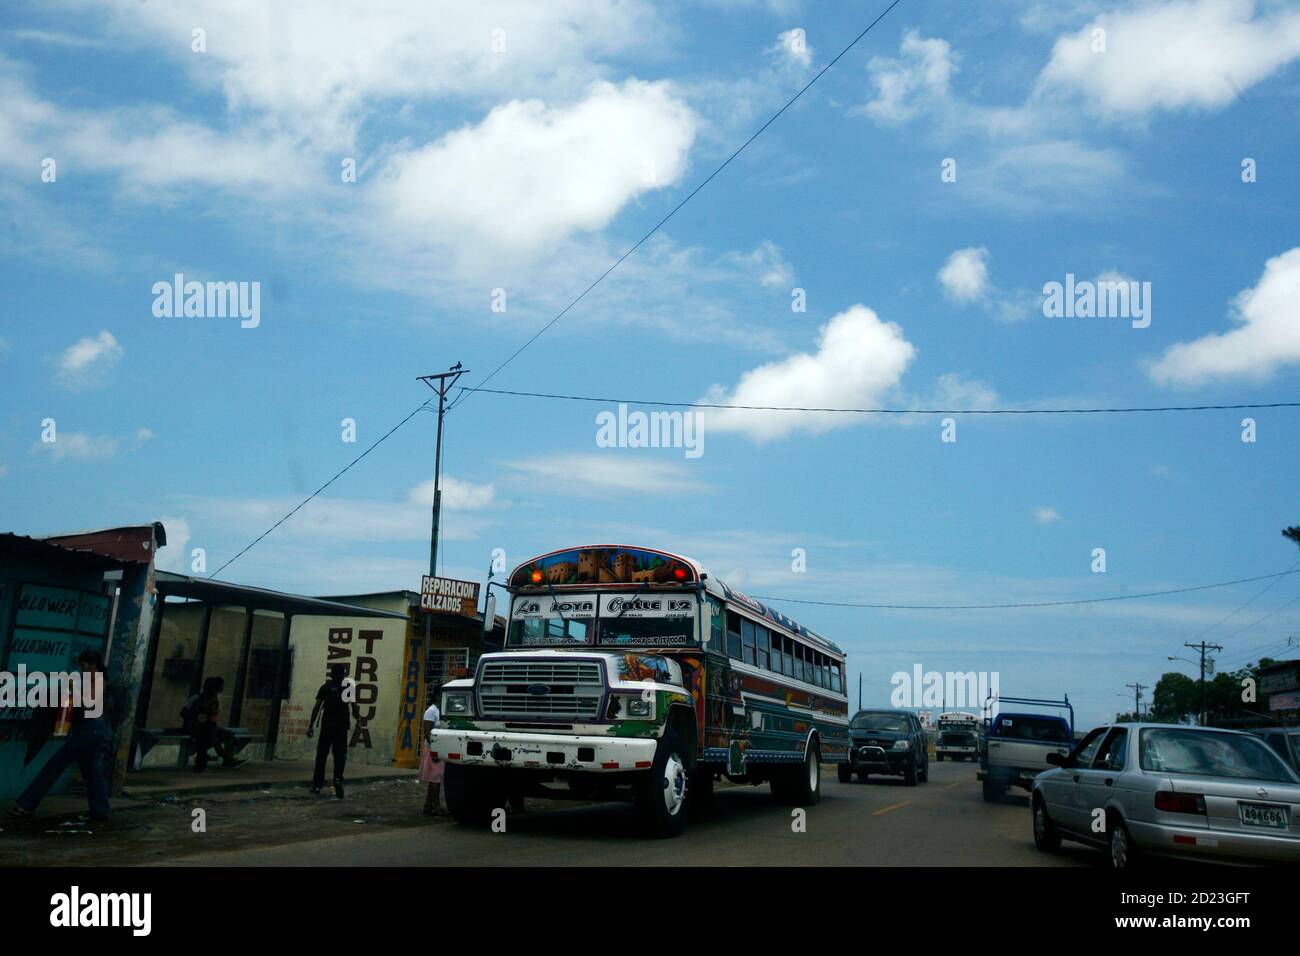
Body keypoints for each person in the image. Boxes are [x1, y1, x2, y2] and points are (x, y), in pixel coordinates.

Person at [9, 648, 114, 823]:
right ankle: (100, 811)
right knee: (92, 771)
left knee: (55, 765)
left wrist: (73, 688)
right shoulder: (89, 679)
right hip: (89, 730)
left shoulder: (99, 680)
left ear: (92, 665)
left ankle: (26, 805)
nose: (81, 668)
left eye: (83, 665)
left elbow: (89, 703)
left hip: (90, 730)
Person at [184, 676, 246, 772]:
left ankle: (228, 760)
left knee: (228, 735)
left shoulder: (215, 699)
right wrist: (195, 720)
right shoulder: (198, 698)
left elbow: (212, 717)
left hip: (210, 727)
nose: (223, 688)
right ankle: (229, 759)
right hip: (199, 727)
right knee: (213, 740)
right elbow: (185, 713)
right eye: (221, 686)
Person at [308, 664, 350, 798]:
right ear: (343, 675)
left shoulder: (325, 688)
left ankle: (317, 785)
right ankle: (338, 779)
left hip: (327, 726)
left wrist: (310, 726)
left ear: (331, 674)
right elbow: (354, 707)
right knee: (340, 756)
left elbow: (316, 707)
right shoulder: (347, 688)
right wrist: (359, 722)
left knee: (321, 756)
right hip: (342, 727)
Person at [419, 699, 444, 815]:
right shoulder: (431, 711)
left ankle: (428, 805)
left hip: (439, 746)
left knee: (434, 778)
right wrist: (434, 750)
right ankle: (436, 806)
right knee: (435, 777)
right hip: (432, 747)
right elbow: (427, 732)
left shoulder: (440, 710)